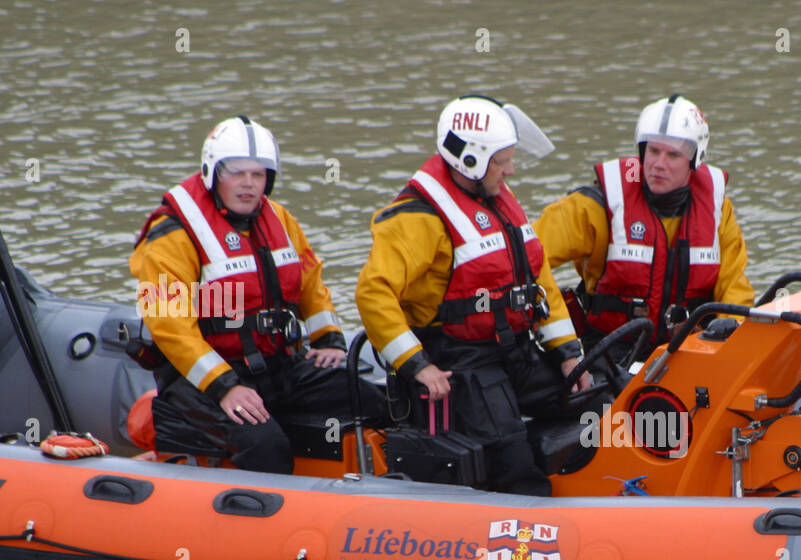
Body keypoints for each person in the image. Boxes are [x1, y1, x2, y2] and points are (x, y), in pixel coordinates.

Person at [356, 94, 590, 497]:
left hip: (516, 353)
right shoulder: (417, 216)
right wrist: (418, 366)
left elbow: (540, 283)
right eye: (503, 161)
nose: (511, 170)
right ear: (471, 161)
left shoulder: (494, 197)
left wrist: (569, 356)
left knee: (600, 401)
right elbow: (372, 293)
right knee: (513, 461)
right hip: (461, 365)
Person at [129, 115, 382, 473]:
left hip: (277, 364)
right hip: (203, 379)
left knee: (371, 400)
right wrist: (225, 387)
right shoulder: (173, 234)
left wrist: (329, 340)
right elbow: (168, 324)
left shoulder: (278, 218)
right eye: (237, 172)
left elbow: (310, 280)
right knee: (265, 447)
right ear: (213, 172)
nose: (248, 184)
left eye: (259, 174)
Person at [534, 94, 754, 362]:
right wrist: (564, 344)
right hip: (609, 351)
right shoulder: (598, 203)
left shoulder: (717, 209)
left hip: (688, 351)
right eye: (653, 151)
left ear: (695, 160)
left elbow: (734, 289)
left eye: (673, 154)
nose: (658, 164)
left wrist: (728, 340)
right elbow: (528, 257)